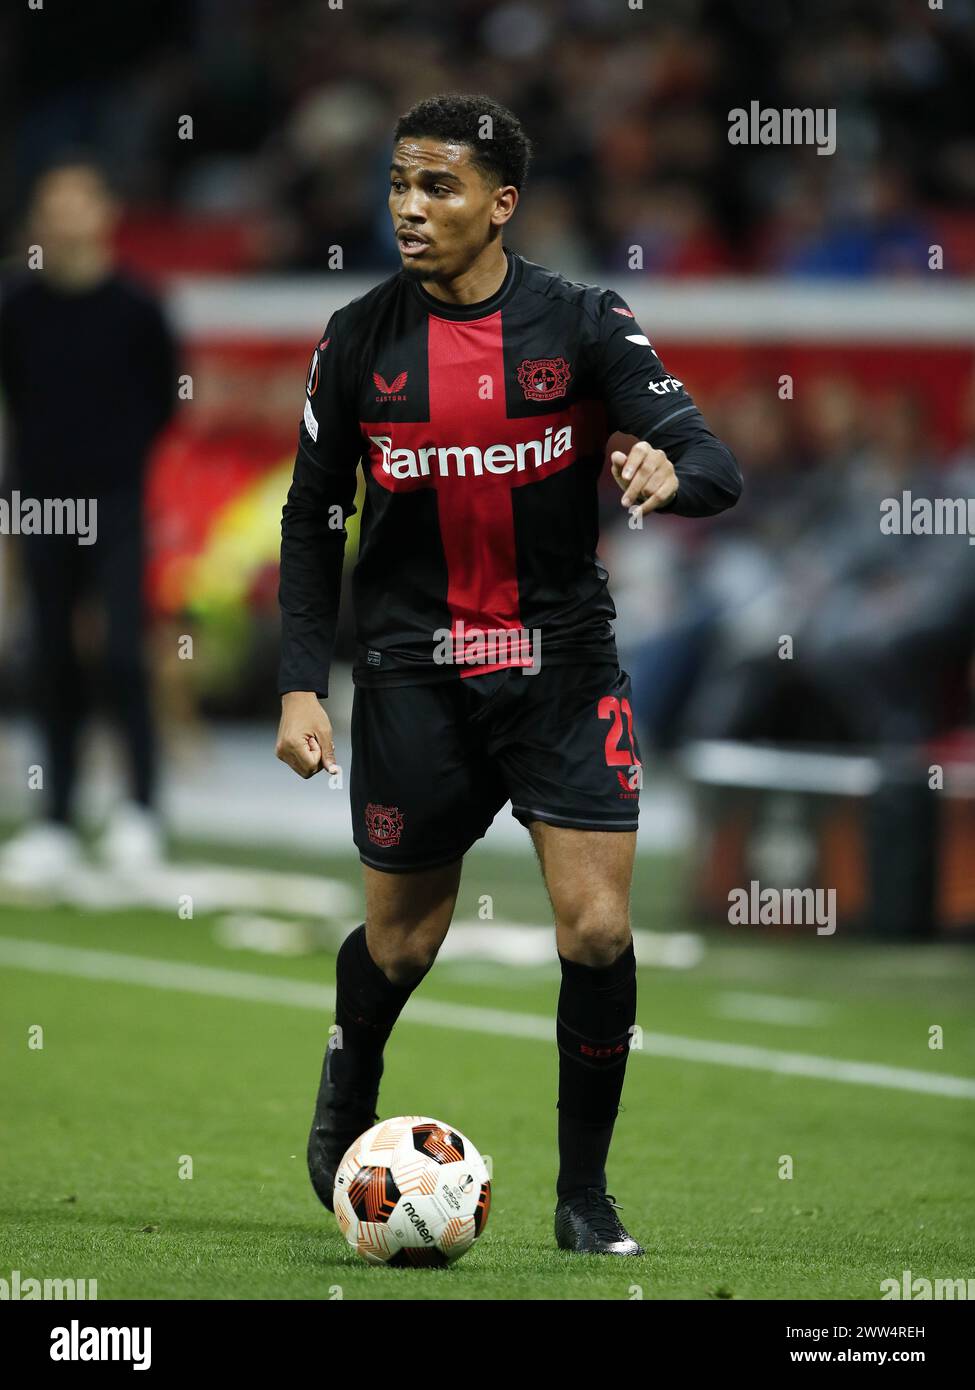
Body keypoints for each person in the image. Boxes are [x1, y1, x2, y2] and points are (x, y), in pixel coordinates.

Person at [275, 95, 741, 1256]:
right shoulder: (358, 337)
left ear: (502, 204)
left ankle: (583, 1195)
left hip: (560, 667)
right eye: (398, 185)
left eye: (437, 187)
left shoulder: (583, 322)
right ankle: (348, 1088)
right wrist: (297, 682)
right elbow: (310, 516)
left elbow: (710, 455)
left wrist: (667, 476)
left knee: (593, 929)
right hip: (410, 675)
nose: (410, 210)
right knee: (402, 944)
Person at [0, 157, 177, 881]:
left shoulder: (137, 307)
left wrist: (116, 473)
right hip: (39, 501)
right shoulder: (15, 304)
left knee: (126, 653)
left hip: (114, 500)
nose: (65, 217)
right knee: (50, 657)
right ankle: (56, 821)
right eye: (53, 204)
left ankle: (139, 811)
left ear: (105, 213)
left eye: (79, 203)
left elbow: (163, 401)